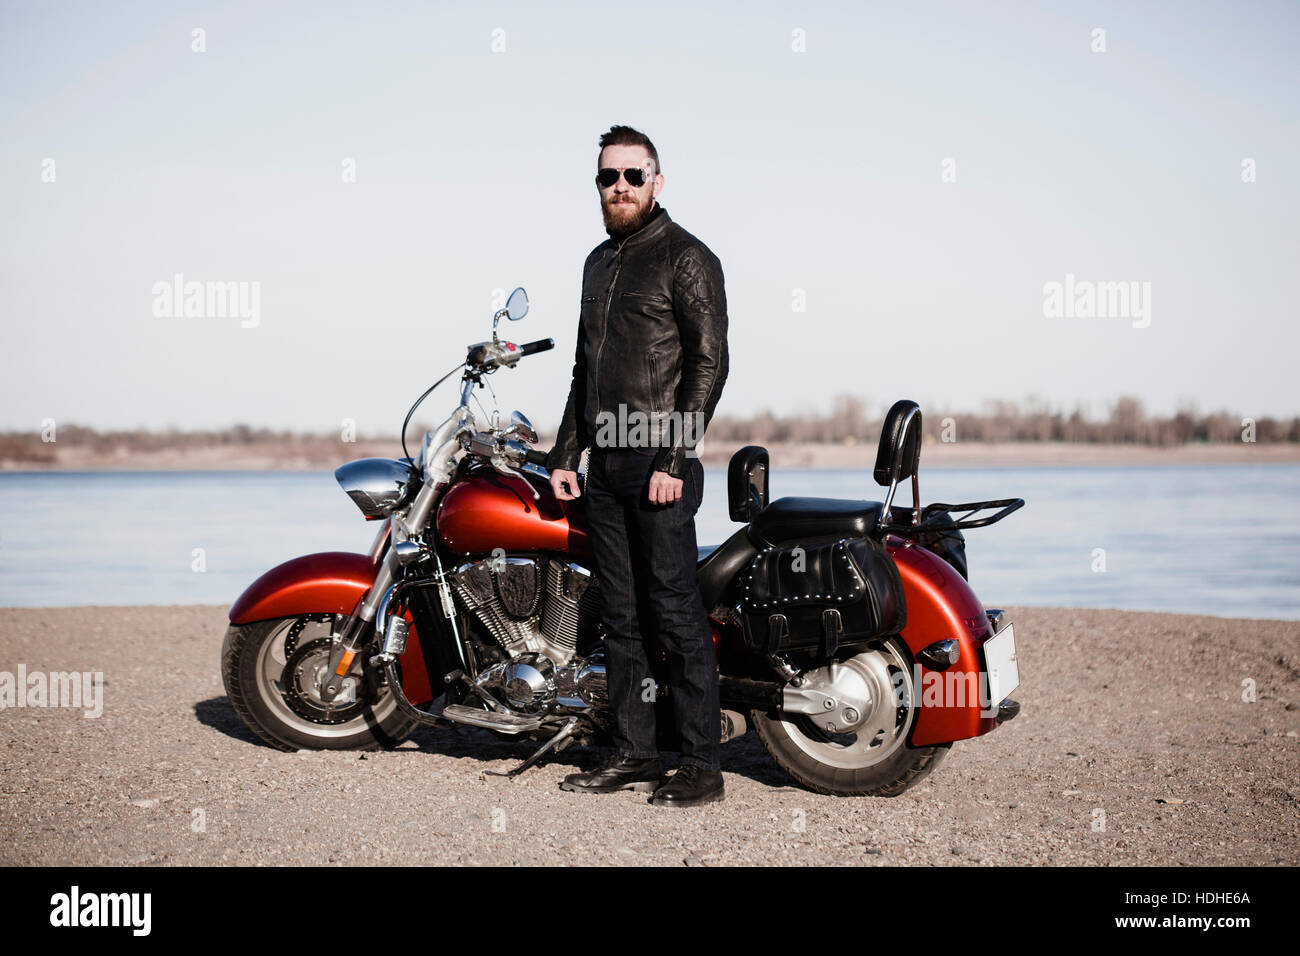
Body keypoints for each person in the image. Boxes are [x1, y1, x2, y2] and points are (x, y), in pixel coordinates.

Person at [546, 125, 729, 807]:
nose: (618, 187)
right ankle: (632, 751)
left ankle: (701, 766)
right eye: (607, 177)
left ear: (656, 181)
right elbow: (583, 368)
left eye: (631, 175)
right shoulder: (598, 262)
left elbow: (711, 364)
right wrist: (566, 453)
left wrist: (676, 456)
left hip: (660, 463)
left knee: (674, 614)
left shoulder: (687, 258)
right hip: (605, 468)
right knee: (619, 616)